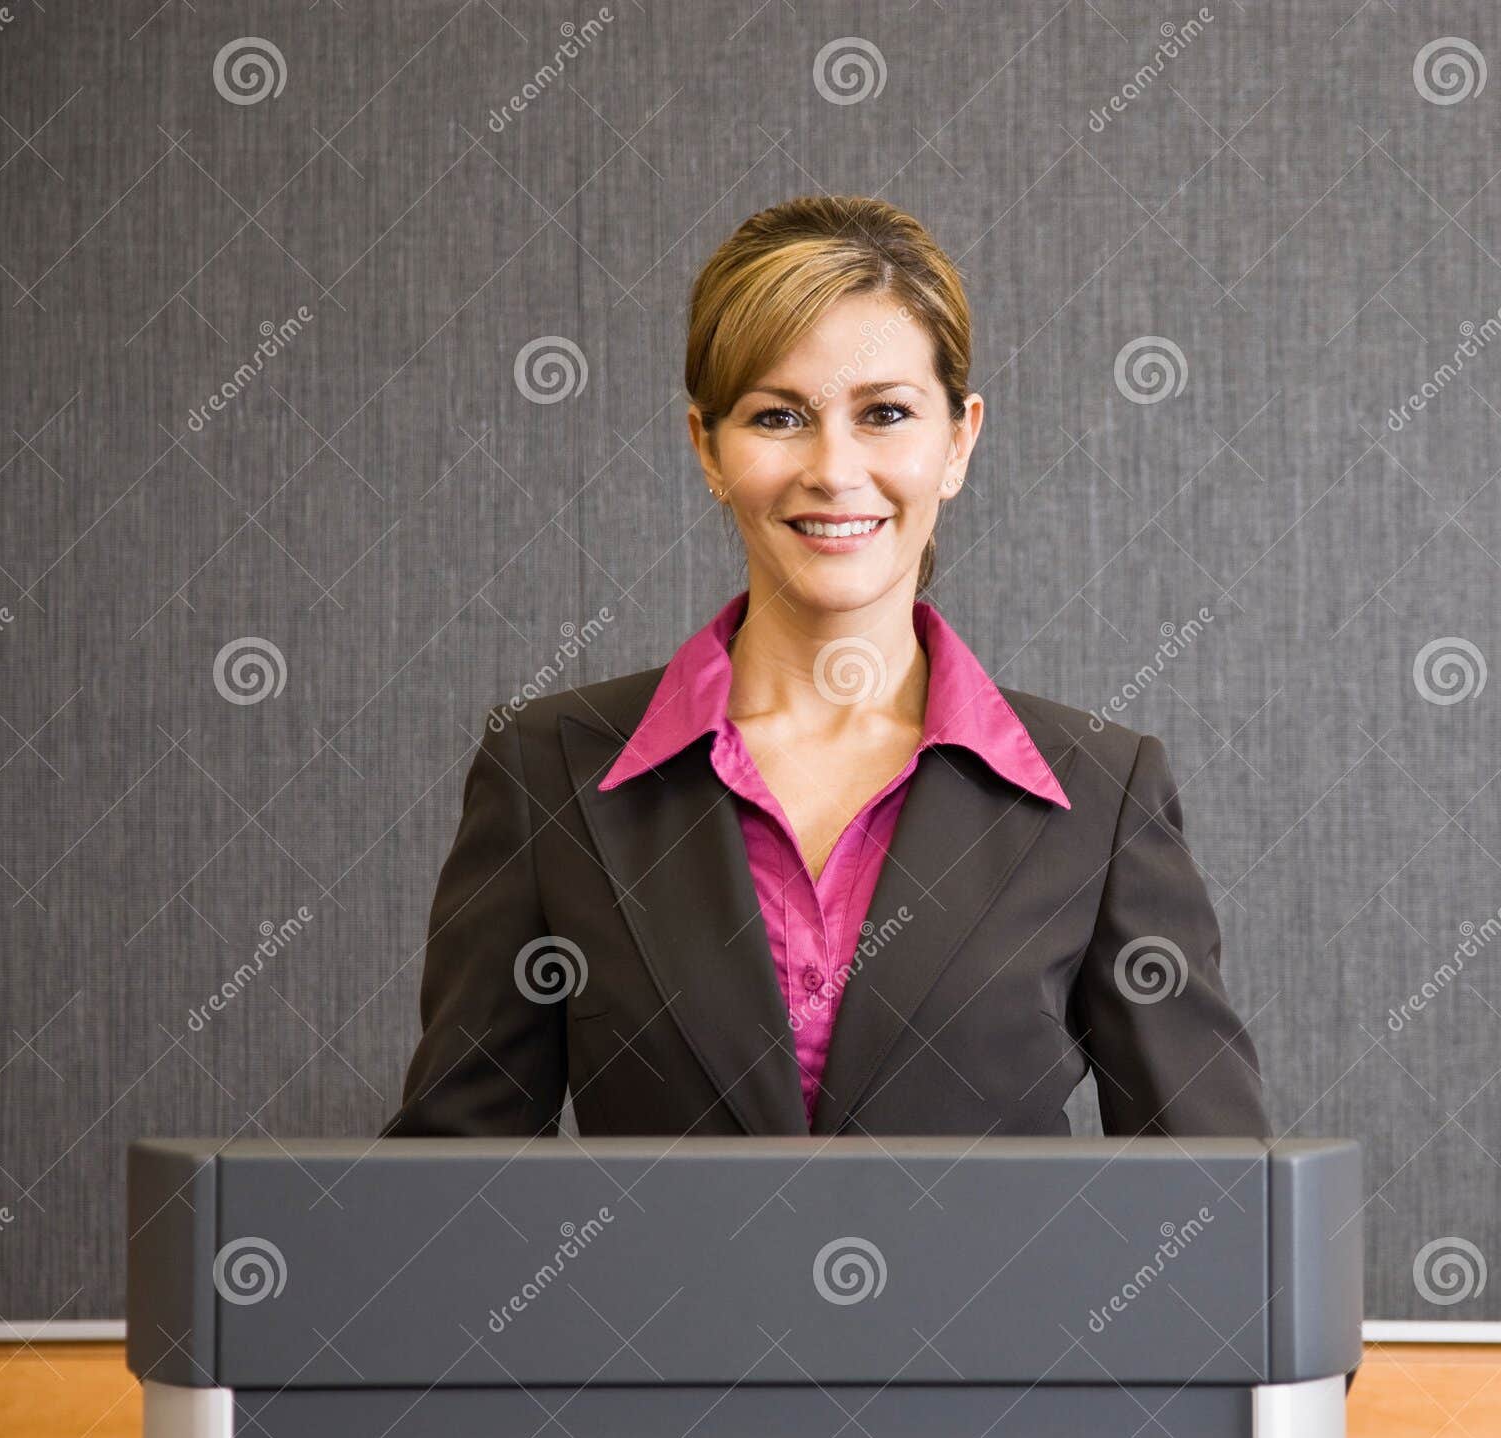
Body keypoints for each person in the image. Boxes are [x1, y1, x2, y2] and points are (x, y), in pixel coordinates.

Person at [381, 194, 1271, 1149]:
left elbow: (1212, 1202)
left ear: (958, 441)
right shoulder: (547, 774)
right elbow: (453, 1196)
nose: (834, 469)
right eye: (778, 417)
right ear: (707, 449)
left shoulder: (1099, 794)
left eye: (885, 412)